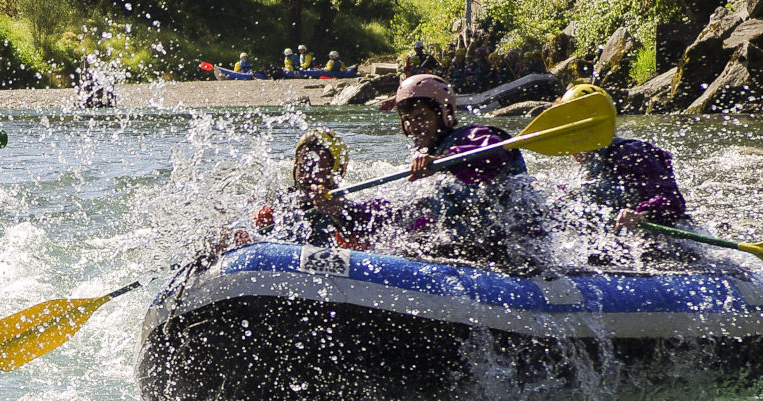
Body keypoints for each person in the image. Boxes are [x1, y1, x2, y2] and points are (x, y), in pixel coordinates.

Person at [380, 74, 553, 274]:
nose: (412, 126)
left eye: (421, 117)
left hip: (516, 249)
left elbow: (494, 155)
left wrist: (442, 162)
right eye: (407, 120)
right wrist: (346, 211)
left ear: (446, 115)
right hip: (474, 247)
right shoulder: (428, 159)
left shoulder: (474, 135)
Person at [561, 85, 688, 231]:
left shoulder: (632, 153)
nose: (567, 139)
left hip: (663, 243)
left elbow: (672, 200)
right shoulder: (587, 169)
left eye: (572, 131)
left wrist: (642, 215)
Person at [247, 128, 387, 251]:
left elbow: (362, 247)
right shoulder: (278, 209)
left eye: (318, 168)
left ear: (336, 173)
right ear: (295, 167)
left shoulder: (349, 213)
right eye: (303, 166)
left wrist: (338, 215)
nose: (308, 176)